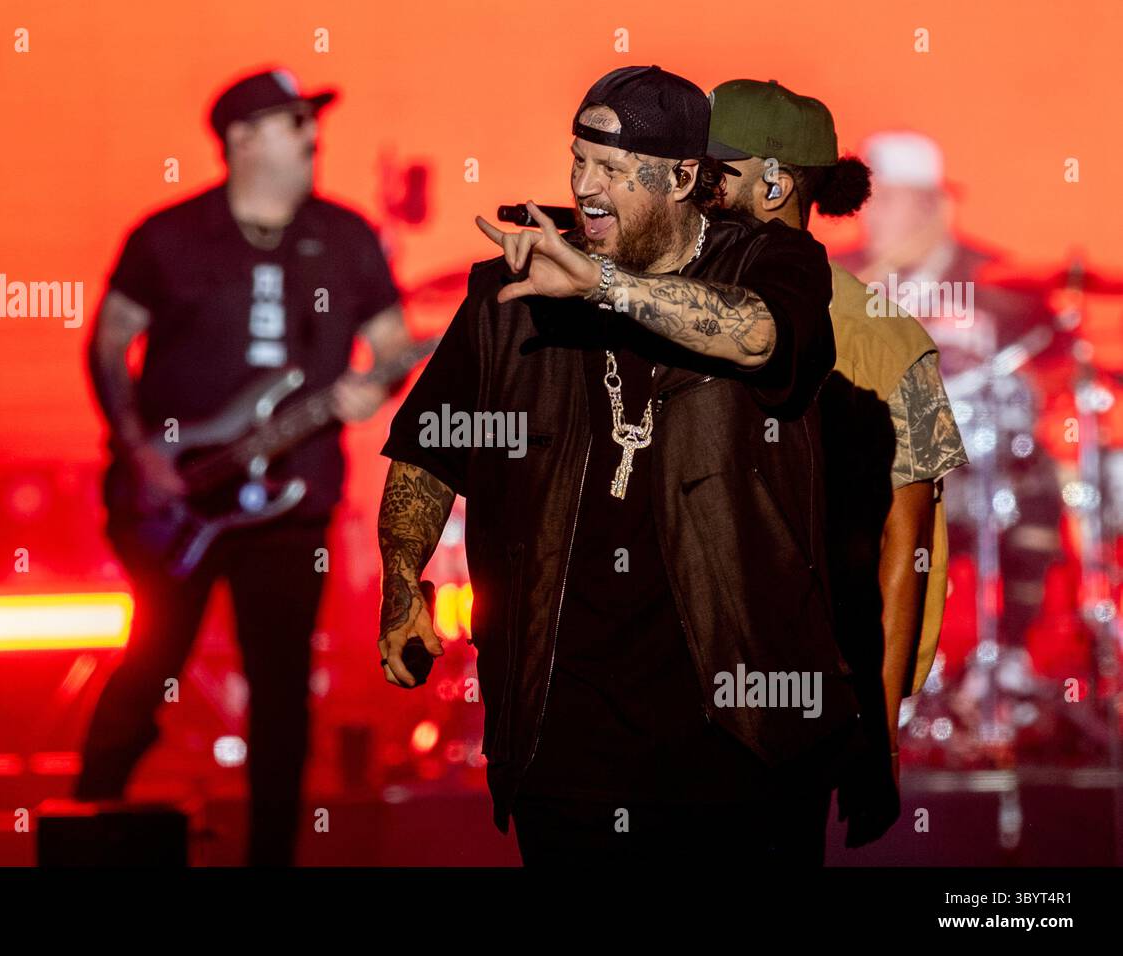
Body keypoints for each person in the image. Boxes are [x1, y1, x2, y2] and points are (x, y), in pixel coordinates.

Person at [377, 65, 865, 866]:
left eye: (610, 169)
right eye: (577, 162)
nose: (584, 186)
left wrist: (604, 286)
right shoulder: (514, 297)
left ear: (681, 177)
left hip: (739, 745)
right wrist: (402, 582)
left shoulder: (769, 261)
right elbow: (427, 454)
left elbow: (760, 335)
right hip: (562, 747)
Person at [75, 68, 411, 866]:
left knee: (283, 692)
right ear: (241, 138)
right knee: (151, 666)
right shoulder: (169, 237)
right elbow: (107, 340)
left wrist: (380, 382)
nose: (312, 135)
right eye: (295, 121)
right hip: (178, 500)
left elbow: (394, 343)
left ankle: (271, 858)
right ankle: (82, 826)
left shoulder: (347, 237)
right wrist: (138, 449)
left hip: (292, 508)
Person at [706, 79, 969, 846]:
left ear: (775, 181)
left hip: (787, 713)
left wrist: (878, 739)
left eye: (713, 168)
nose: (691, 183)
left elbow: (903, 551)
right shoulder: (662, 306)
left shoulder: (882, 340)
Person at [840, 132, 1061, 695]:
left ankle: (1007, 657)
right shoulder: (840, 280)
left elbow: (1051, 373)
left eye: (886, 199)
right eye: (868, 200)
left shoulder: (993, 285)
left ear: (929, 205)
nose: (872, 215)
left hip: (977, 464)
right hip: (870, 461)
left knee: (1035, 477)